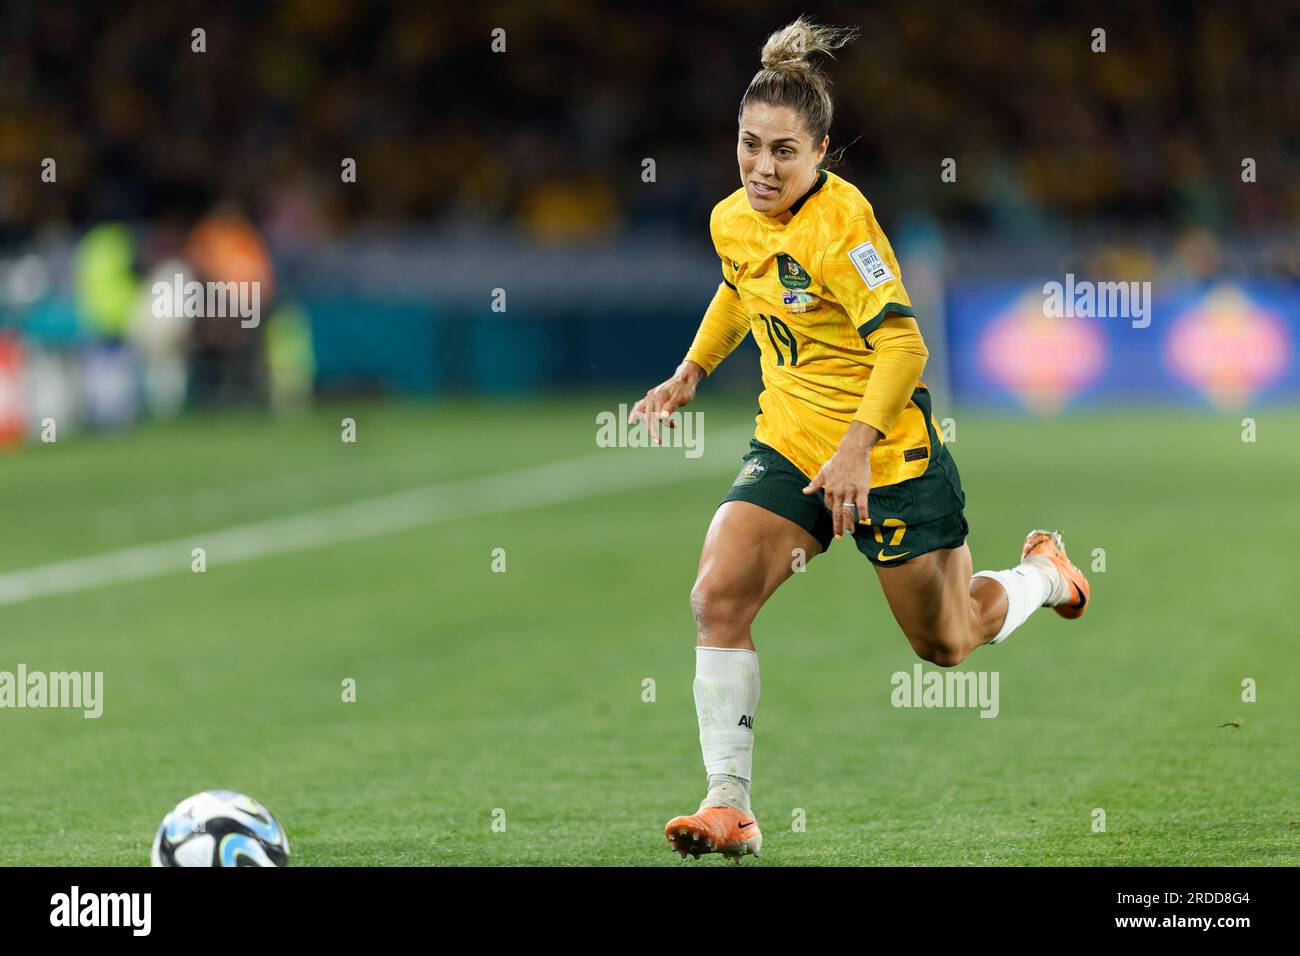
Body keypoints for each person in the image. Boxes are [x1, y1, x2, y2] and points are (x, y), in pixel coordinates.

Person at [628, 17, 1091, 863]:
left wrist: (856, 446)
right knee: (716, 597)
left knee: (946, 644)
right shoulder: (732, 220)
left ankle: (1042, 574)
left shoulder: (845, 225)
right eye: (749, 145)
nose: (762, 168)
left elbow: (905, 344)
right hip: (794, 443)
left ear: (822, 152)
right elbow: (741, 290)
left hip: (888, 458)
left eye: (783, 152)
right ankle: (728, 803)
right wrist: (692, 371)